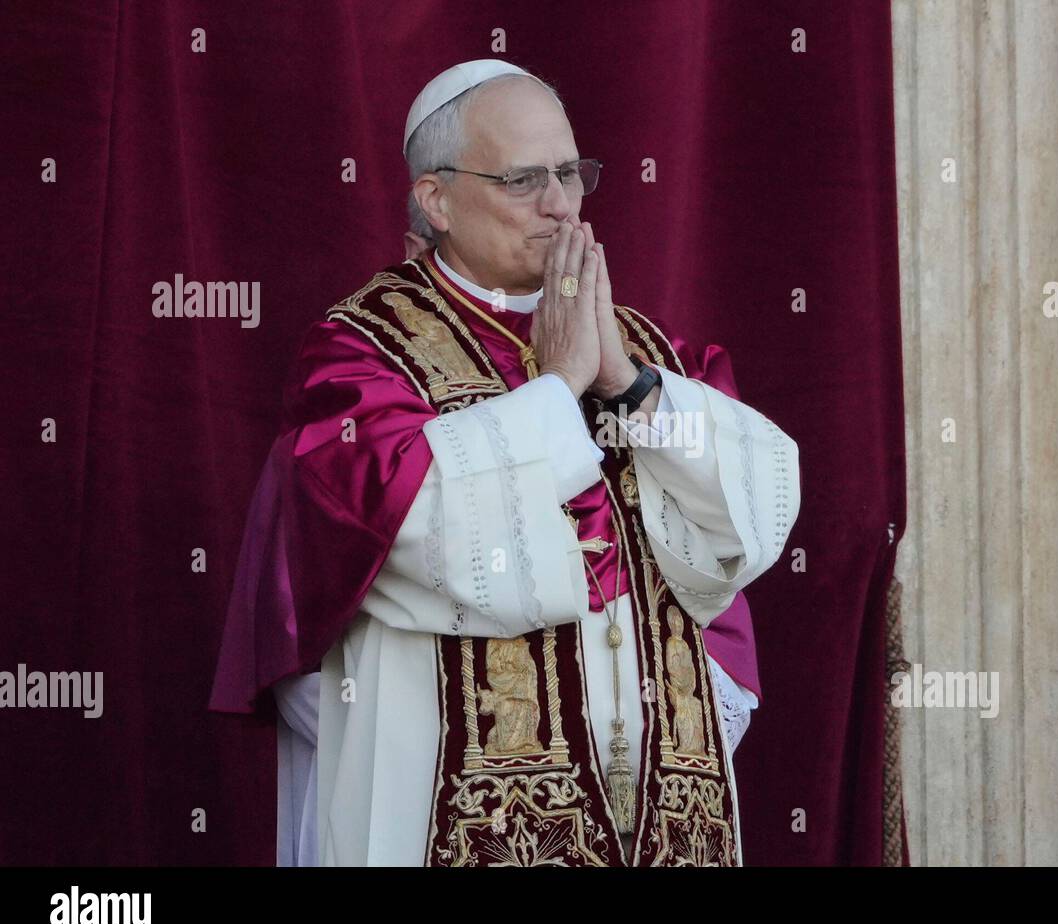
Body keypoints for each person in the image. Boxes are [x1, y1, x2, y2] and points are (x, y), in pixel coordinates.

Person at [209, 58, 800, 867]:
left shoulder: (650, 352)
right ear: (437, 199)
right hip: (445, 801)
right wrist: (556, 389)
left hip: (657, 802)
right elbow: (413, 529)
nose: (559, 206)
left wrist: (624, 387)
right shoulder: (360, 352)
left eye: (570, 173)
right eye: (524, 180)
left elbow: (752, 518)